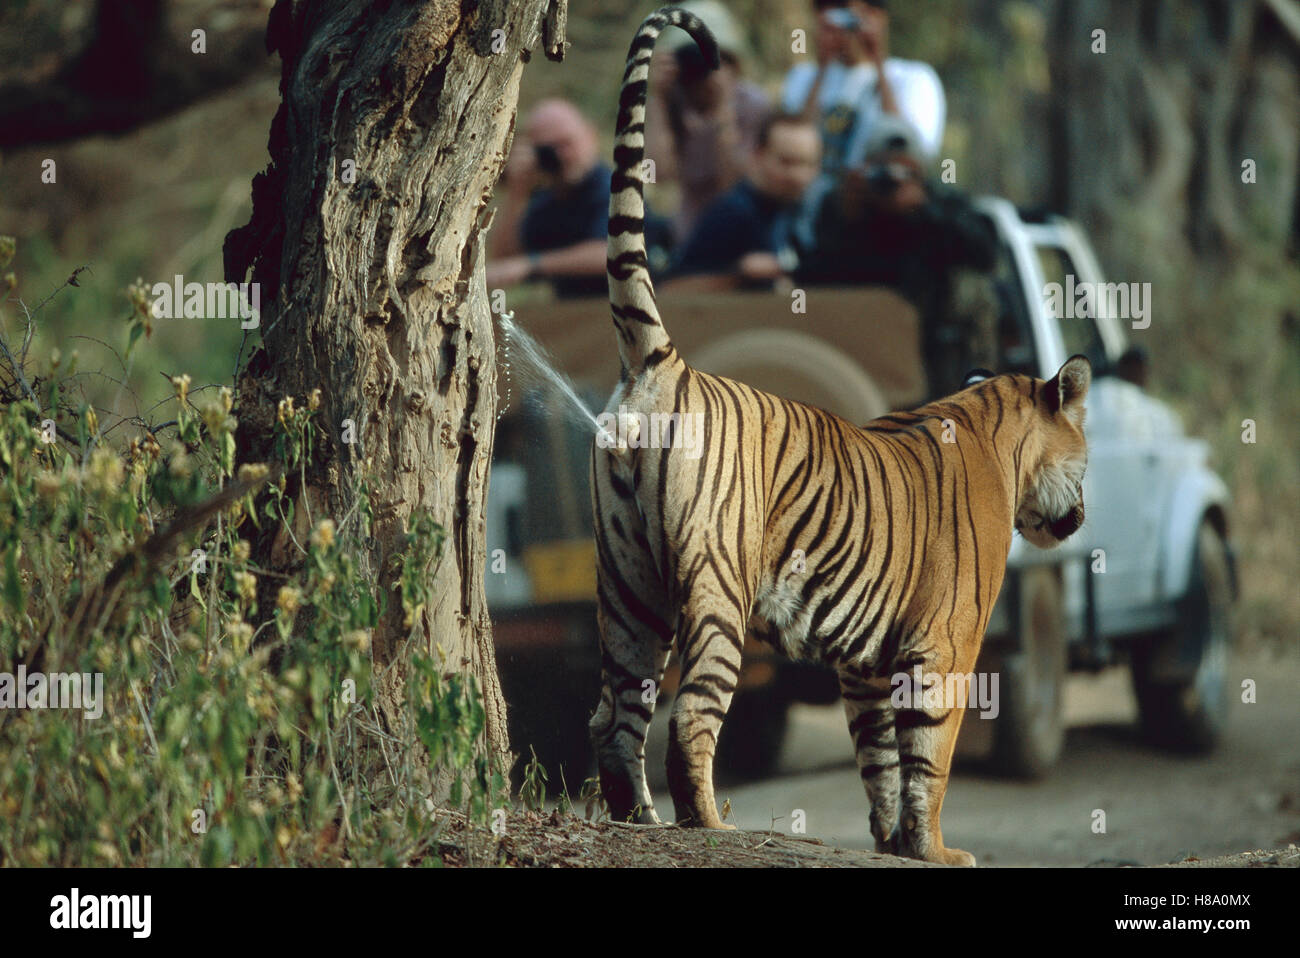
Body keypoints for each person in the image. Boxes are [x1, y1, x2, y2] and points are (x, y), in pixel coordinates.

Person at [797, 115, 999, 393]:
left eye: (904, 171)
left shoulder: (940, 203)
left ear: (921, 172)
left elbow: (985, 254)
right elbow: (813, 273)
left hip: (931, 340)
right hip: (858, 341)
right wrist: (851, 215)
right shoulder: (845, 204)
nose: (892, 181)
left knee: (974, 289)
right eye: (883, 171)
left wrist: (924, 210)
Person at [783, 0, 946, 248]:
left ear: (881, 17)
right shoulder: (802, 77)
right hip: (810, 220)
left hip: (879, 222)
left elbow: (908, 151)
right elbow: (789, 144)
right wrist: (822, 65)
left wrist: (877, 60)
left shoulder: (913, 78)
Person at [644, 0, 772, 242]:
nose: (701, 70)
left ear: (733, 63)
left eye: (711, 57)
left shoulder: (754, 104)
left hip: (741, 228)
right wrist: (659, 100)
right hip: (689, 231)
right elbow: (656, 175)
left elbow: (734, 187)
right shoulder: (670, 104)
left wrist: (723, 111)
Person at [664, 113, 821, 292]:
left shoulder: (807, 213)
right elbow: (670, 290)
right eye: (786, 162)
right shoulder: (732, 214)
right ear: (758, 155)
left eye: (808, 164)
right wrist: (738, 276)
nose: (798, 176)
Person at [487, 99, 612, 298]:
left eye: (568, 143)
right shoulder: (546, 202)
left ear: (591, 136)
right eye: (551, 149)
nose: (563, 155)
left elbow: (613, 252)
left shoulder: (613, 188)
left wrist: (533, 264)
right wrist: (517, 192)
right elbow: (505, 262)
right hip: (576, 314)